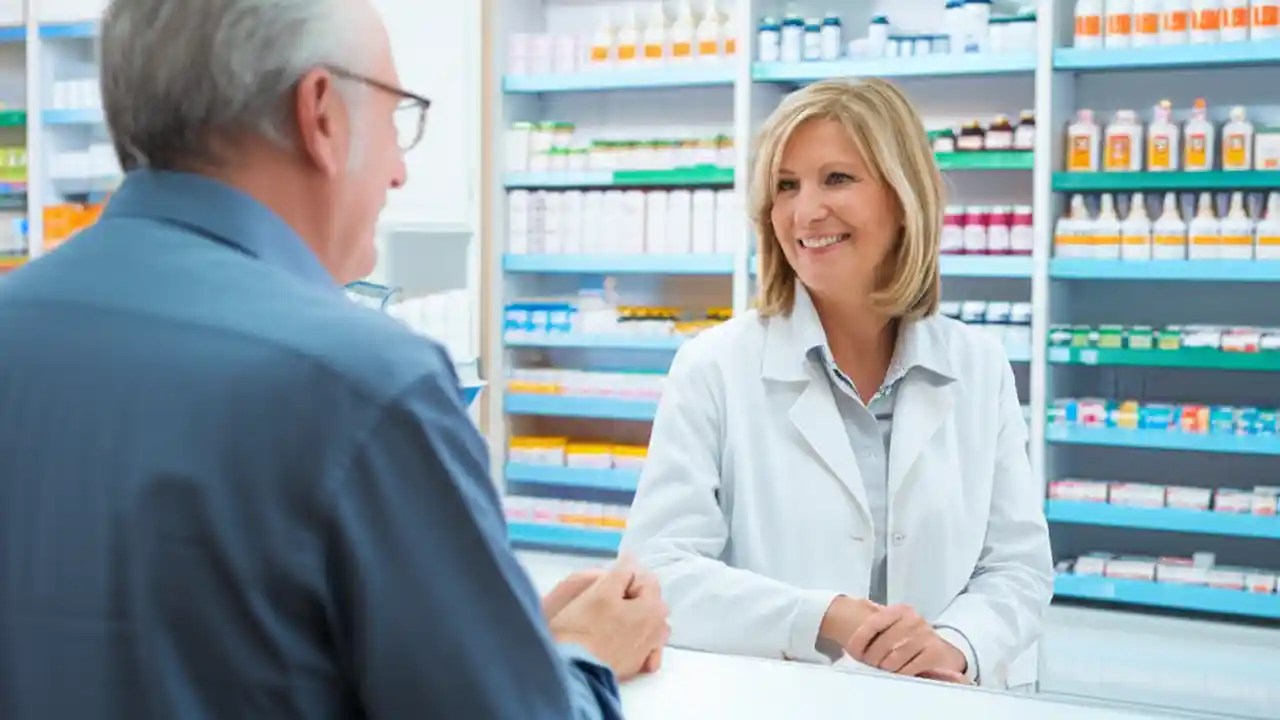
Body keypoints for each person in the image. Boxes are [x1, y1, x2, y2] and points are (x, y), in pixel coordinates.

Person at [0, 1, 667, 718]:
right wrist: (580, 654)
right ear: (320, 114)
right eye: (394, 117)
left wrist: (493, 631)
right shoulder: (365, 384)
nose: (400, 171)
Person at [620, 78, 1053, 690]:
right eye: (786, 186)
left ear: (904, 198)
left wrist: (954, 646)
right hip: (779, 697)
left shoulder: (977, 366)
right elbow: (657, 572)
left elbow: (1018, 567)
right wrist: (824, 616)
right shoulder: (714, 367)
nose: (806, 211)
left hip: (942, 698)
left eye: (838, 179)